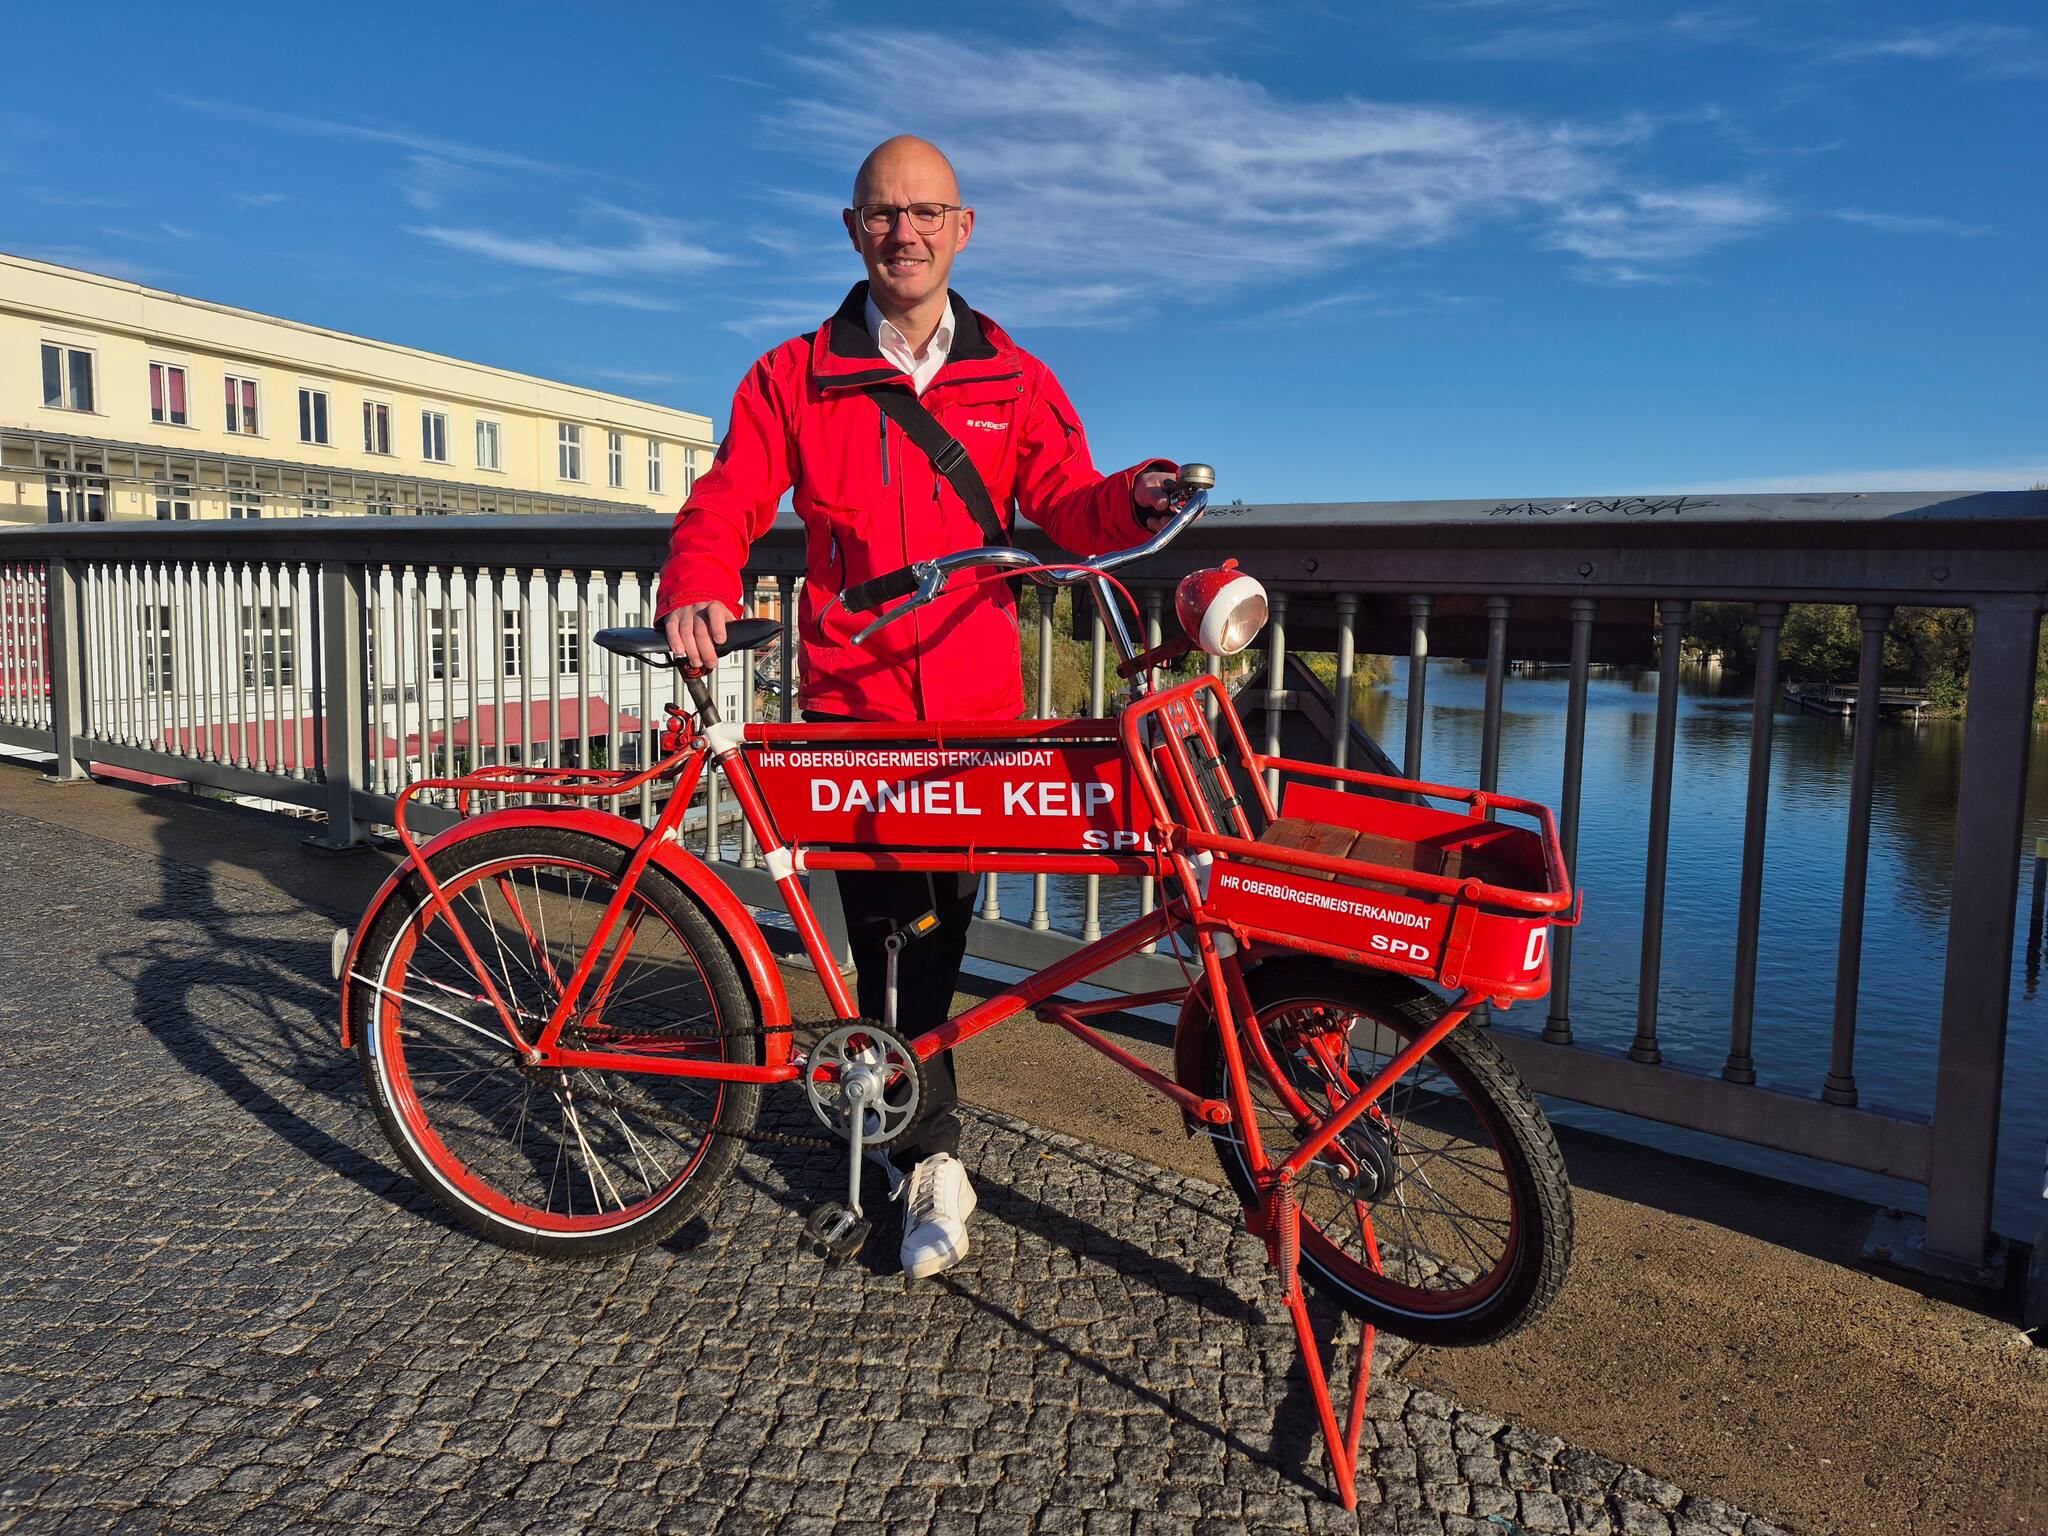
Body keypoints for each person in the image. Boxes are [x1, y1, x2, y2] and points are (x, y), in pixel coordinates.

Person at [657, 135, 1175, 1278]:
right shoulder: (793, 374)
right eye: (884, 213)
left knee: (934, 930)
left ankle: (895, 1121)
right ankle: (921, 1151)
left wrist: (1134, 498)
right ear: (853, 230)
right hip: (853, 710)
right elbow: (730, 495)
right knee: (891, 936)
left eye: (926, 212)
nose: (906, 231)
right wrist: (699, 580)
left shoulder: (1015, 377)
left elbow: (1067, 505)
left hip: (977, 715)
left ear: (963, 227)